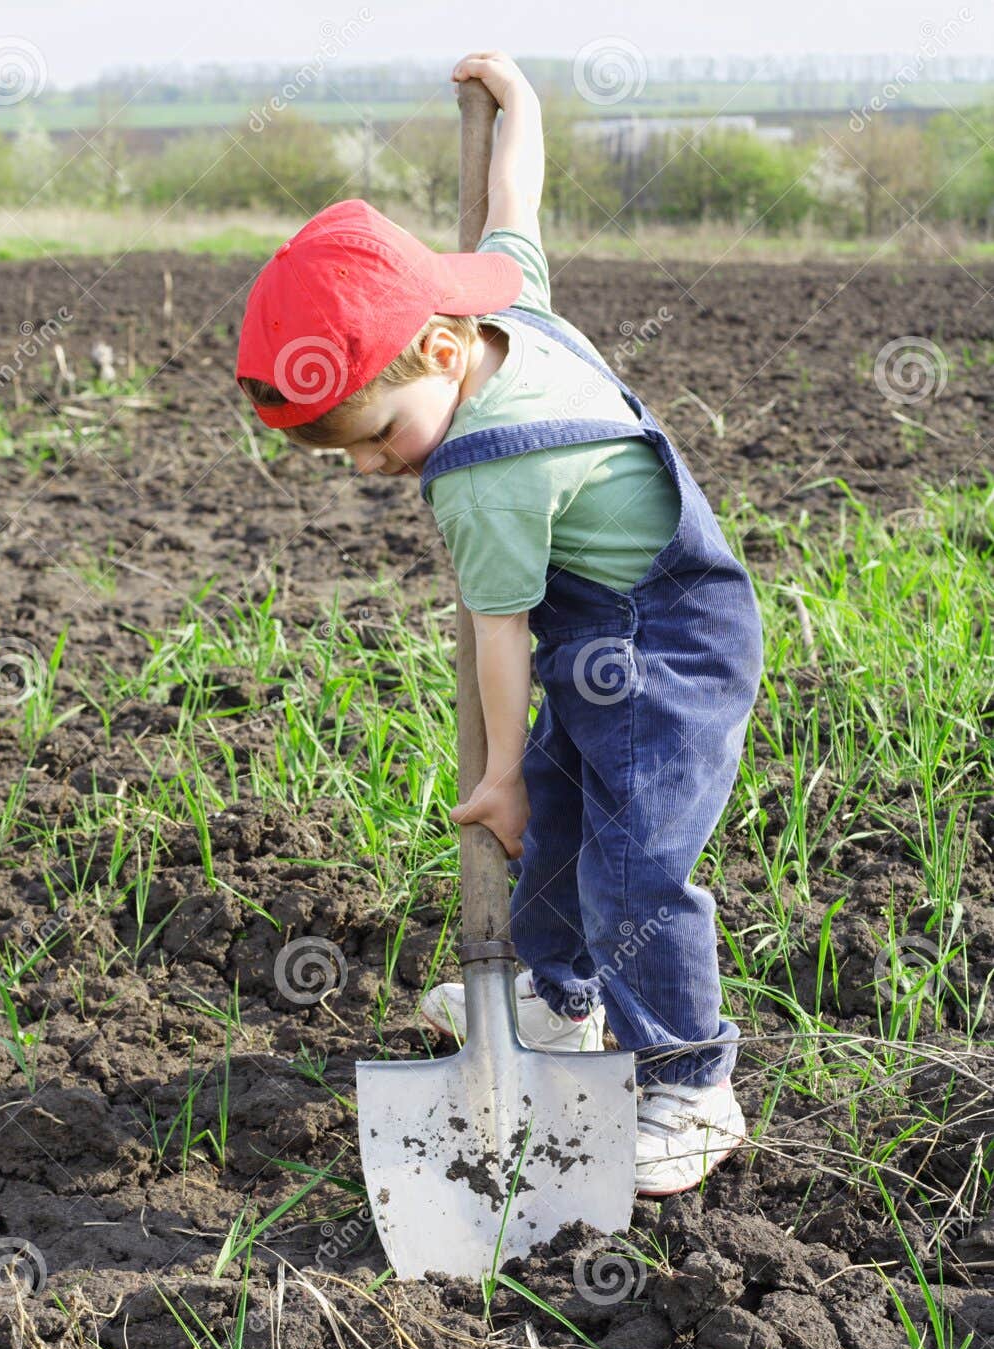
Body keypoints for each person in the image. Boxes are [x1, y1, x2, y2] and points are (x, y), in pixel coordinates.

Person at [235, 50, 764, 1197]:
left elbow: (498, 632)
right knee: (560, 839)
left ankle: (689, 1080)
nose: (373, 467)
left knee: (631, 869)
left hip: (668, 650)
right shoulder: (500, 304)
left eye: (377, 436)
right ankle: (560, 1001)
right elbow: (509, 205)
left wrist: (504, 774)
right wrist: (518, 107)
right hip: (603, 641)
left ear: (439, 351)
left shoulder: (486, 470)